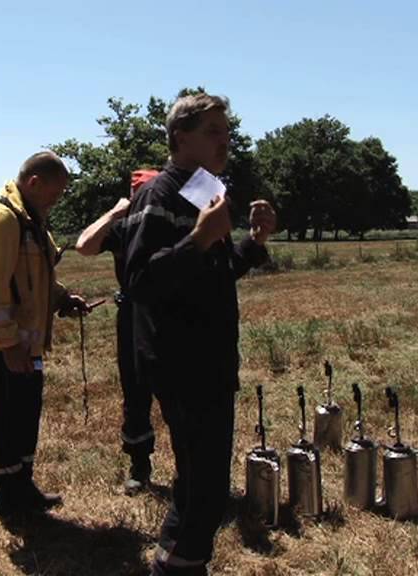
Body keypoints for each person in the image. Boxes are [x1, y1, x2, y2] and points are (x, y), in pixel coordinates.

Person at [120, 93, 276, 575]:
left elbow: (214, 271)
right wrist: (199, 238)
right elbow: (140, 282)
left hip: (209, 358)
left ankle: (179, 563)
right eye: (213, 130)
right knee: (204, 485)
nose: (225, 139)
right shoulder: (159, 196)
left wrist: (255, 242)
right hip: (181, 362)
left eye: (226, 130)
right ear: (180, 137)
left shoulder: (205, 189)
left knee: (200, 481)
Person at [0, 150, 89, 516]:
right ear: (34, 183)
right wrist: (9, 345)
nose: (57, 200)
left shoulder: (30, 219)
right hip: (7, 344)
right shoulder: (2, 220)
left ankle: (23, 485)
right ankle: (8, 496)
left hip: (24, 343)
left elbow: (34, 274)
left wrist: (62, 298)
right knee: (7, 416)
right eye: (55, 192)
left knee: (25, 413)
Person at [75, 168, 160, 494]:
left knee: (175, 390)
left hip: (169, 311)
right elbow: (83, 245)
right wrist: (114, 212)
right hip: (133, 313)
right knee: (135, 391)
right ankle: (140, 464)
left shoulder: (169, 220)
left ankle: (189, 467)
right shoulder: (123, 226)